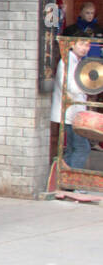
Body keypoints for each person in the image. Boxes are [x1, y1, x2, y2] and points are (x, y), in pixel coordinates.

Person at [51, 36, 91, 170]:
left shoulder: (78, 62)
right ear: (72, 44)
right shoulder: (67, 61)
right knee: (82, 148)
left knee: (72, 148)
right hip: (69, 112)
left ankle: (64, 181)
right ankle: (72, 182)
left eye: (87, 45)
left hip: (74, 113)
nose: (85, 48)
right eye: (81, 44)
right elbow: (70, 87)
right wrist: (88, 86)